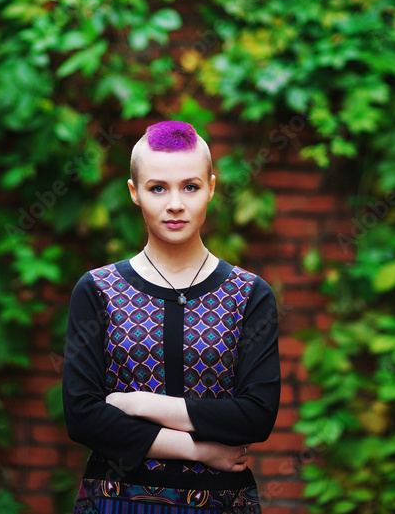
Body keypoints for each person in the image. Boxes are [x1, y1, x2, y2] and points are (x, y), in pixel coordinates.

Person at [62, 120, 282, 513]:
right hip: (116, 502)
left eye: (191, 187)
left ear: (211, 188)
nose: (175, 204)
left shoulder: (248, 294)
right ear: (135, 193)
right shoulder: (98, 290)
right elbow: (83, 416)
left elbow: (255, 416)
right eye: (158, 188)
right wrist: (198, 450)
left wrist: (141, 403)